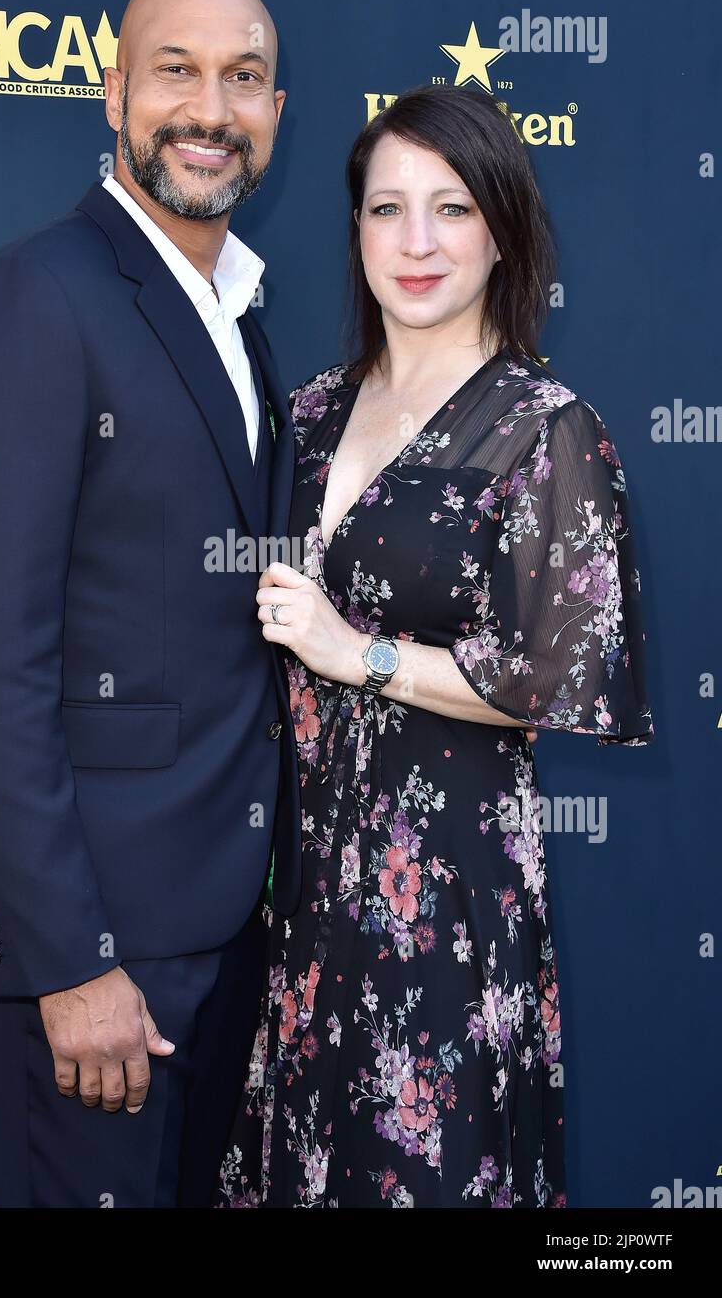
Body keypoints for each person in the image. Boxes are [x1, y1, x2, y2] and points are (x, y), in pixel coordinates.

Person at [0, 0, 301, 1208]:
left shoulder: (235, 314)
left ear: (276, 114)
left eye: (243, 78)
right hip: (94, 938)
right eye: (175, 71)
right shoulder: (37, 298)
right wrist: (73, 964)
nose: (209, 108)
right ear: (113, 91)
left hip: (218, 917)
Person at [215, 84, 654, 1208]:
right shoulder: (306, 412)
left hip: (444, 901)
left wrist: (350, 649)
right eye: (385, 209)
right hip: (295, 893)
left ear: (502, 228)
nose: (415, 243)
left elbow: (559, 679)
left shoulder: (544, 428)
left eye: (450, 209)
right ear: (352, 228)